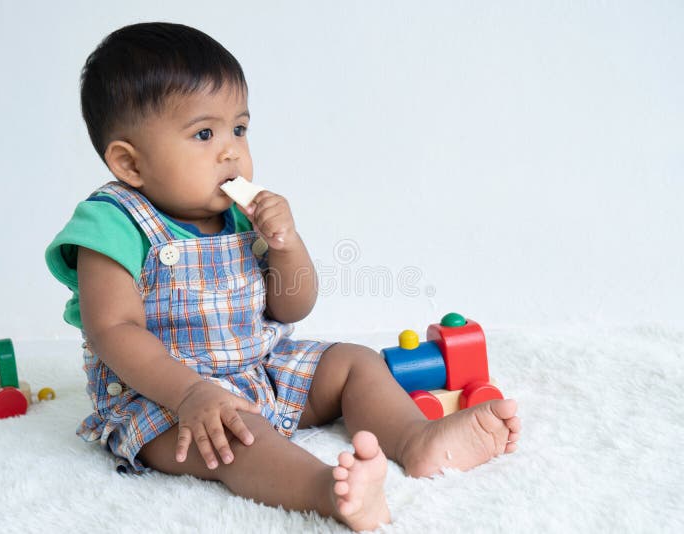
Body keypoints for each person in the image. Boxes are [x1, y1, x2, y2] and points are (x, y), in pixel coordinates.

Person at [45, 21, 521, 531]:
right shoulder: (113, 221)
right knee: (238, 440)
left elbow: (290, 307)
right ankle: (327, 493)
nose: (230, 150)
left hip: (260, 367)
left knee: (352, 363)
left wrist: (285, 245)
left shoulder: (238, 213)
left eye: (239, 129)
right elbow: (112, 330)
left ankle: (416, 440)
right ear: (129, 163)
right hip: (165, 402)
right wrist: (190, 394)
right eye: (204, 134)